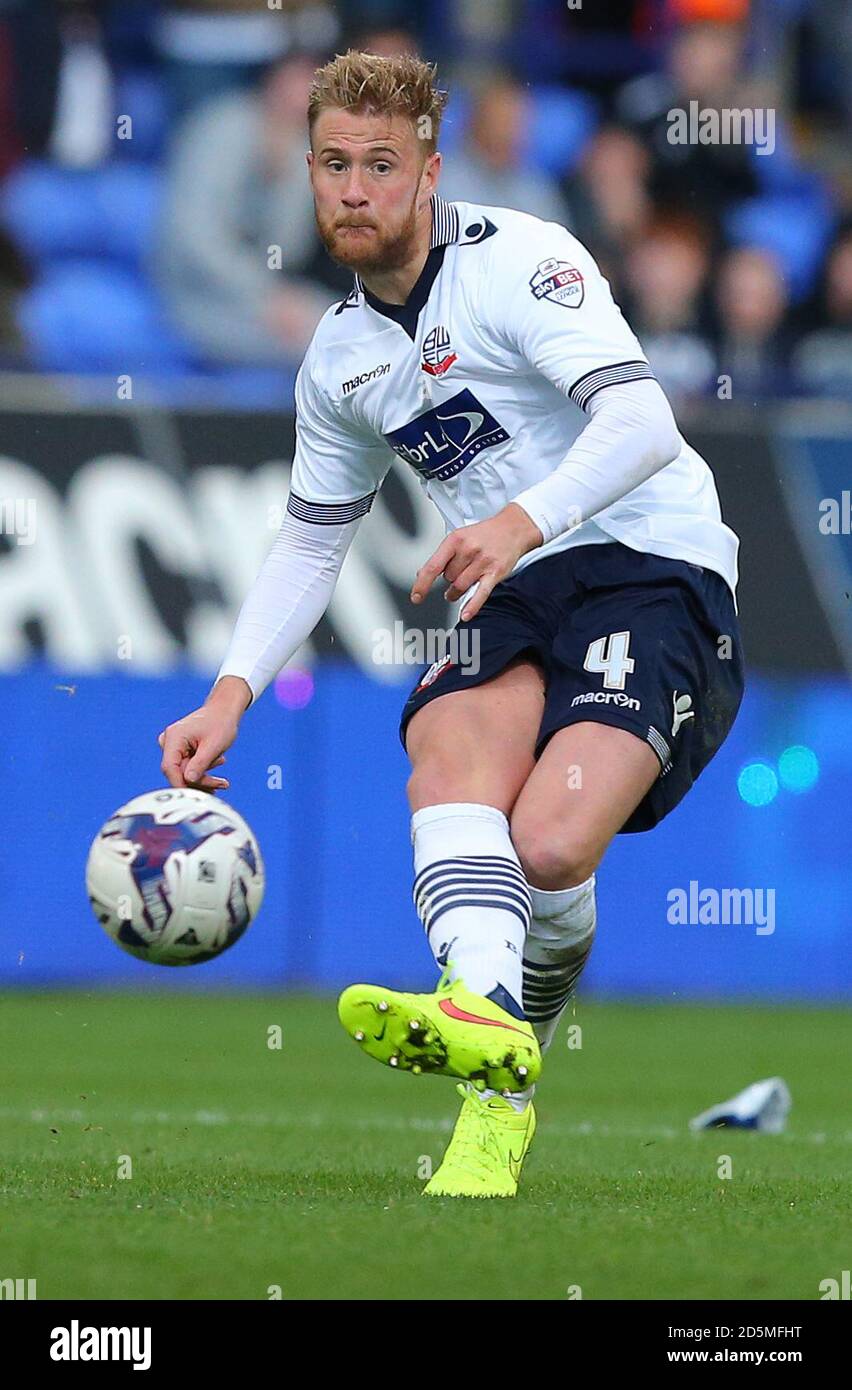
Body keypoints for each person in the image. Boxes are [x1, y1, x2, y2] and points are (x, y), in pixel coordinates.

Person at [158, 51, 744, 1199]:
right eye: (334, 165)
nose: (354, 189)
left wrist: (522, 519)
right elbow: (313, 538)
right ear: (311, 174)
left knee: (552, 851)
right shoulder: (339, 357)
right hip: (515, 585)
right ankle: (491, 1075)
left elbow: (640, 421)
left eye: (382, 165)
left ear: (431, 171)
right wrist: (228, 694)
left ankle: (516, 996)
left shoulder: (522, 261)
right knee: (446, 742)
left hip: (651, 561)